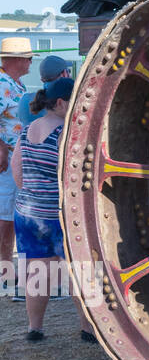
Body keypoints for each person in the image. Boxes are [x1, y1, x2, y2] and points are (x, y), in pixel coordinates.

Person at [11, 77, 92, 341]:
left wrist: (32, 194)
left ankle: (35, 328)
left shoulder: (27, 130)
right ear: (61, 103)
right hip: (57, 215)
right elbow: (74, 177)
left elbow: (17, 169)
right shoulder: (64, 134)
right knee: (78, 271)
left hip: (27, 213)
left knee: (37, 274)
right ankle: (87, 329)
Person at [0, 36, 35, 296]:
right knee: (4, 219)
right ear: (15, 60)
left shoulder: (13, 83)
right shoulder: (2, 84)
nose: (30, 61)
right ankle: (4, 274)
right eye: (27, 57)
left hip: (14, 157)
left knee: (9, 218)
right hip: (6, 160)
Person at [17, 54, 70, 125]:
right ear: (64, 74)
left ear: (42, 79)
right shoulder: (65, 103)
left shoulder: (25, 100)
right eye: (68, 71)